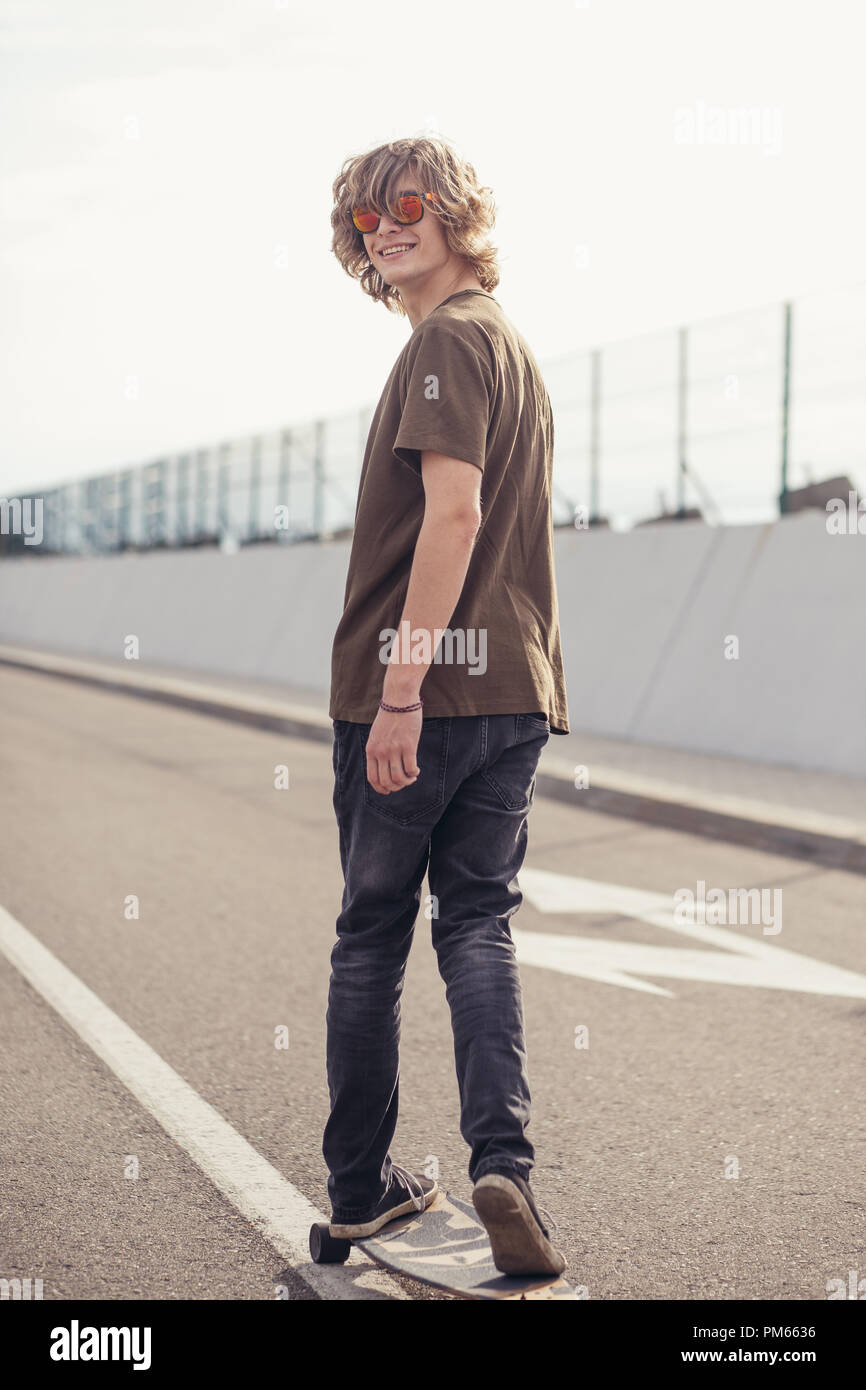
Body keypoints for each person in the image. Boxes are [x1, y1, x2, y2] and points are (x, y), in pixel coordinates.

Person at [323, 136, 570, 1275]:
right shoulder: (509, 348)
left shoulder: (444, 344)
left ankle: (362, 1187)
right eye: (367, 218)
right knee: (476, 922)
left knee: (372, 936)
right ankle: (501, 1168)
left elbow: (455, 519)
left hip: (426, 694)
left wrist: (400, 692)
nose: (386, 227)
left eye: (407, 204)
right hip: (517, 686)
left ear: (458, 213)